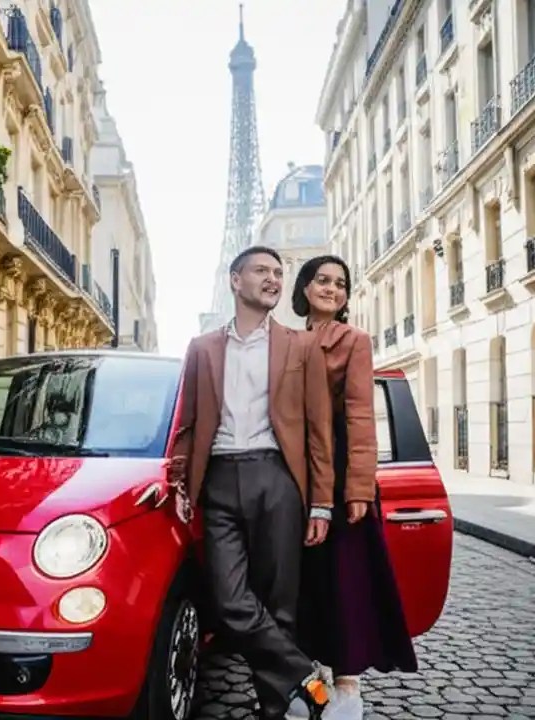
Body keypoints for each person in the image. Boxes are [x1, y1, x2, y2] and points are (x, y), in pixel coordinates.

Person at [170, 245, 337, 720]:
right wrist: (182, 485)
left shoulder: (300, 346)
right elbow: (187, 424)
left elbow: (318, 430)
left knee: (279, 602)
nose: (273, 279)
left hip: (277, 477)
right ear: (235, 279)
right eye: (262, 270)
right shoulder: (202, 348)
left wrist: (321, 504)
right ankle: (303, 674)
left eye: (278, 273)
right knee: (227, 600)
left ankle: (274, 709)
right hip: (218, 480)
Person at [290, 255, 419, 720]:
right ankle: (316, 686)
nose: (332, 289)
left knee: (346, 583)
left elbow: (362, 417)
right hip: (298, 474)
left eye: (340, 284)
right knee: (308, 586)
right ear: (304, 287)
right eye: (322, 280)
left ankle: (348, 688)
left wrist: (359, 488)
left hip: (344, 472)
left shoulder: (353, 340)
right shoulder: (288, 341)